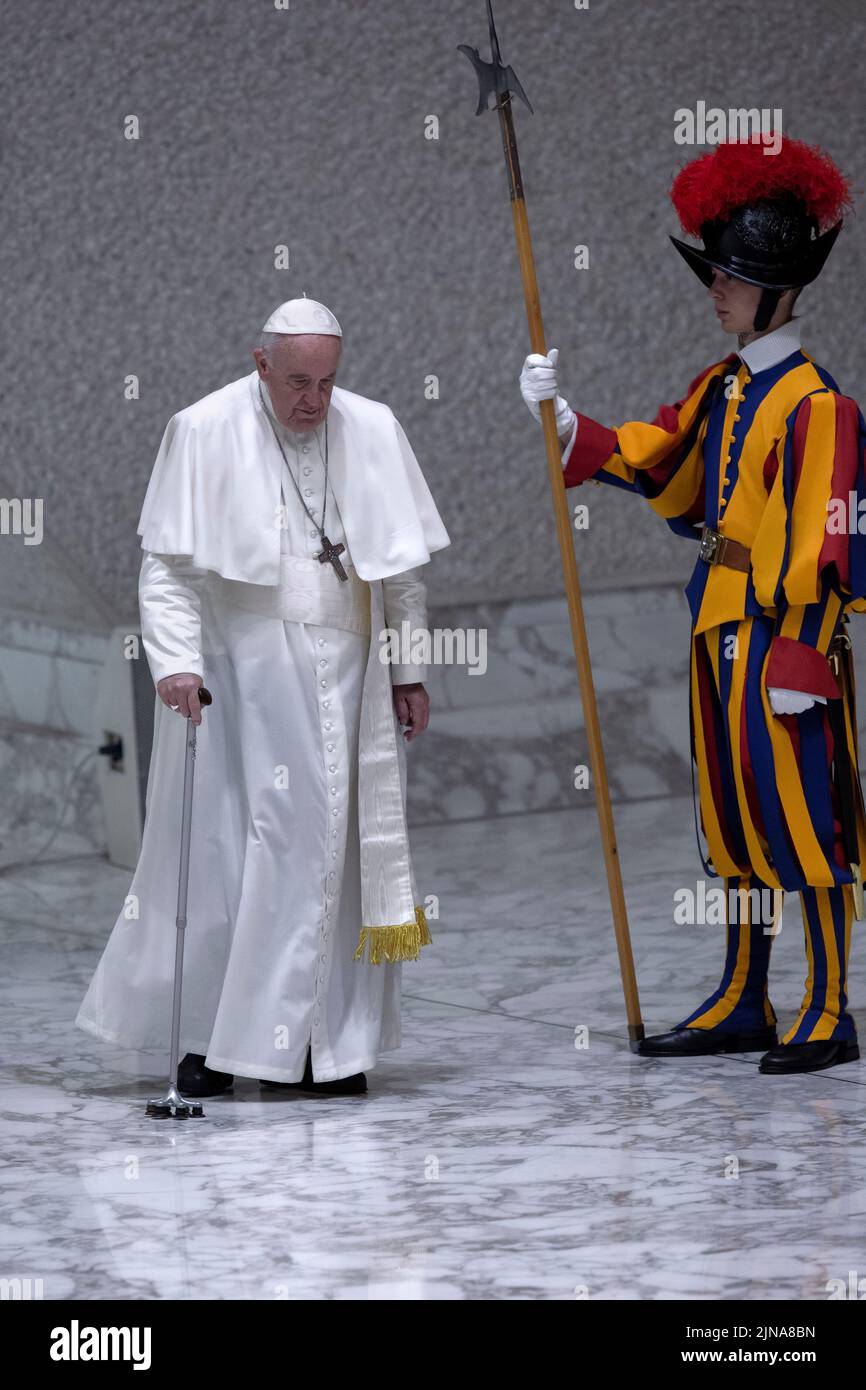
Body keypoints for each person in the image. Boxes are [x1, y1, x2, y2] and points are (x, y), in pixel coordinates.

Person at [520, 136, 866, 1074]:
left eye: (731, 276)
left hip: (779, 638)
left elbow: (829, 544)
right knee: (736, 822)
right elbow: (663, 464)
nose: (714, 289)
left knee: (805, 820)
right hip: (716, 625)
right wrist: (570, 427)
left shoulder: (816, 406)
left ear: (779, 290)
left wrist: (802, 653)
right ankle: (742, 997)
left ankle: (828, 1005)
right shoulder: (724, 386)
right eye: (714, 272)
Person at [77, 296, 450, 1096]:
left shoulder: (374, 428)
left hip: (349, 679)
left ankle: (322, 1049)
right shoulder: (204, 429)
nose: (312, 401)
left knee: (332, 856)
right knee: (239, 851)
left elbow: (403, 567)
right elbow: (169, 566)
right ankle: (220, 1042)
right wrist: (175, 663)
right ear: (260, 365)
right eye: (295, 383)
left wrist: (409, 668)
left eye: (325, 382)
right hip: (242, 677)